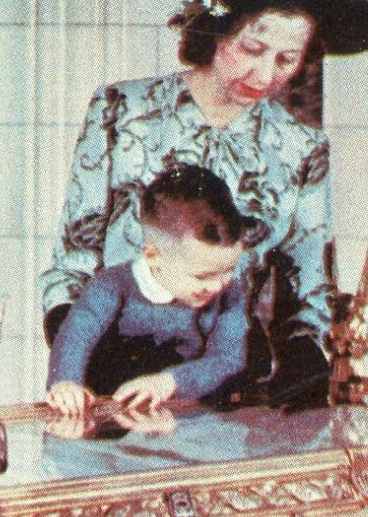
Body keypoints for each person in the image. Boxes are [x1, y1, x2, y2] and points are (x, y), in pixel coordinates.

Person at [40, 0, 368, 408]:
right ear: (216, 33)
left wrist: (303, 354)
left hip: (231, 383)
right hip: (112, 374)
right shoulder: (121, 110)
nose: (264, 76)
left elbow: (309, 279)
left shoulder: (301, 147)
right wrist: (77, 351)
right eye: (252, 50)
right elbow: (75, 251)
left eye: (287, 58)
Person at [47, 164, 249, 414]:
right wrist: (66, 382)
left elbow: (228, 359)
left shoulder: (229, 295)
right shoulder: (113, 285)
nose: (218, 285)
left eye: (227, 270)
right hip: (114, 419)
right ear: (153, 256)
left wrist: (171, 383)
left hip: (185, 419)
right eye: (202, 276)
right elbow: (75, 336)